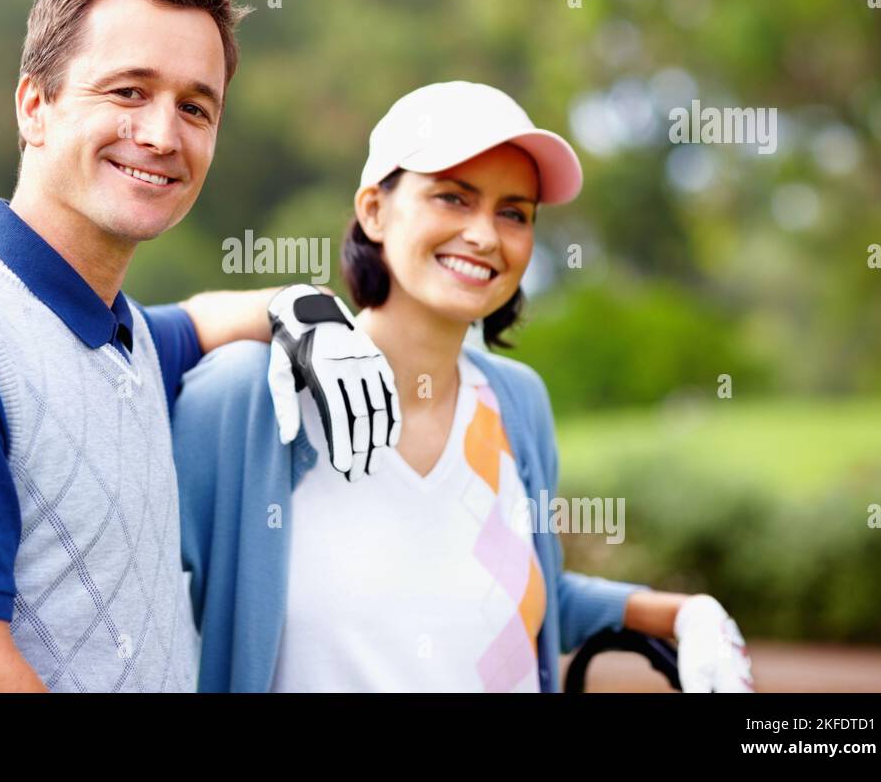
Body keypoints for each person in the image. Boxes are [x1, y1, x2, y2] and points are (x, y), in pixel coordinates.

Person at [0, 0, 398, 693]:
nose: (161, 134)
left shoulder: (122, 336)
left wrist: (308, 308)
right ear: (34, 106)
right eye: (129, 91)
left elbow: (202, 320)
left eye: (196, 107)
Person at [173, 81, 757, 692]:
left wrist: (683, 613)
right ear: (374, 210)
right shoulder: (251, 397)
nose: (484, 235)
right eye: (453, 198)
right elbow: (128, 583)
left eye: (514, 212)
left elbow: (527, 593)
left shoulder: (517, 402)